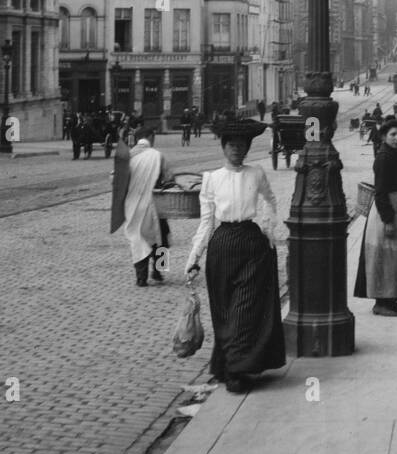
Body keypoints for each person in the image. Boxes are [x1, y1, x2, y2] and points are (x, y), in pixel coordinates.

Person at [184, 119, 284, 395]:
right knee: (225, 311)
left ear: (248, 148)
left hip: (252, 244)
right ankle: (228, 365)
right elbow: (206, 222)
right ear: (224, 147)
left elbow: (270, 200)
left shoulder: (257, 173)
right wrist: (193, 257)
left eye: (242, 146)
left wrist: (267, 228)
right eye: (232, 145)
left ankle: (238, 370)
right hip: (223, 246)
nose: (237, 150)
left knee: (245, 309)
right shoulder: (211, 178)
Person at [354, 116, 397, 315]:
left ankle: (391, 299)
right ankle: (380, 303)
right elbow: (381, 191)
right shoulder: (383, 158)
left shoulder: (393, 155)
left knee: (394, 256)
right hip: (386, 212)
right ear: (384, 137)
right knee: (384, 256)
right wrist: (388, 220)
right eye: (393, 135)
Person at [112, 128, 175, 287]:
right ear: (150, 137)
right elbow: (169, 178)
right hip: (155, 205)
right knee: (161, 237)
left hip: (132, 206)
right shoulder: (158, 155)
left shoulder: (127, 156)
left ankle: (141, 277)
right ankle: (159, 271)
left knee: (137, 239)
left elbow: (114, 178)